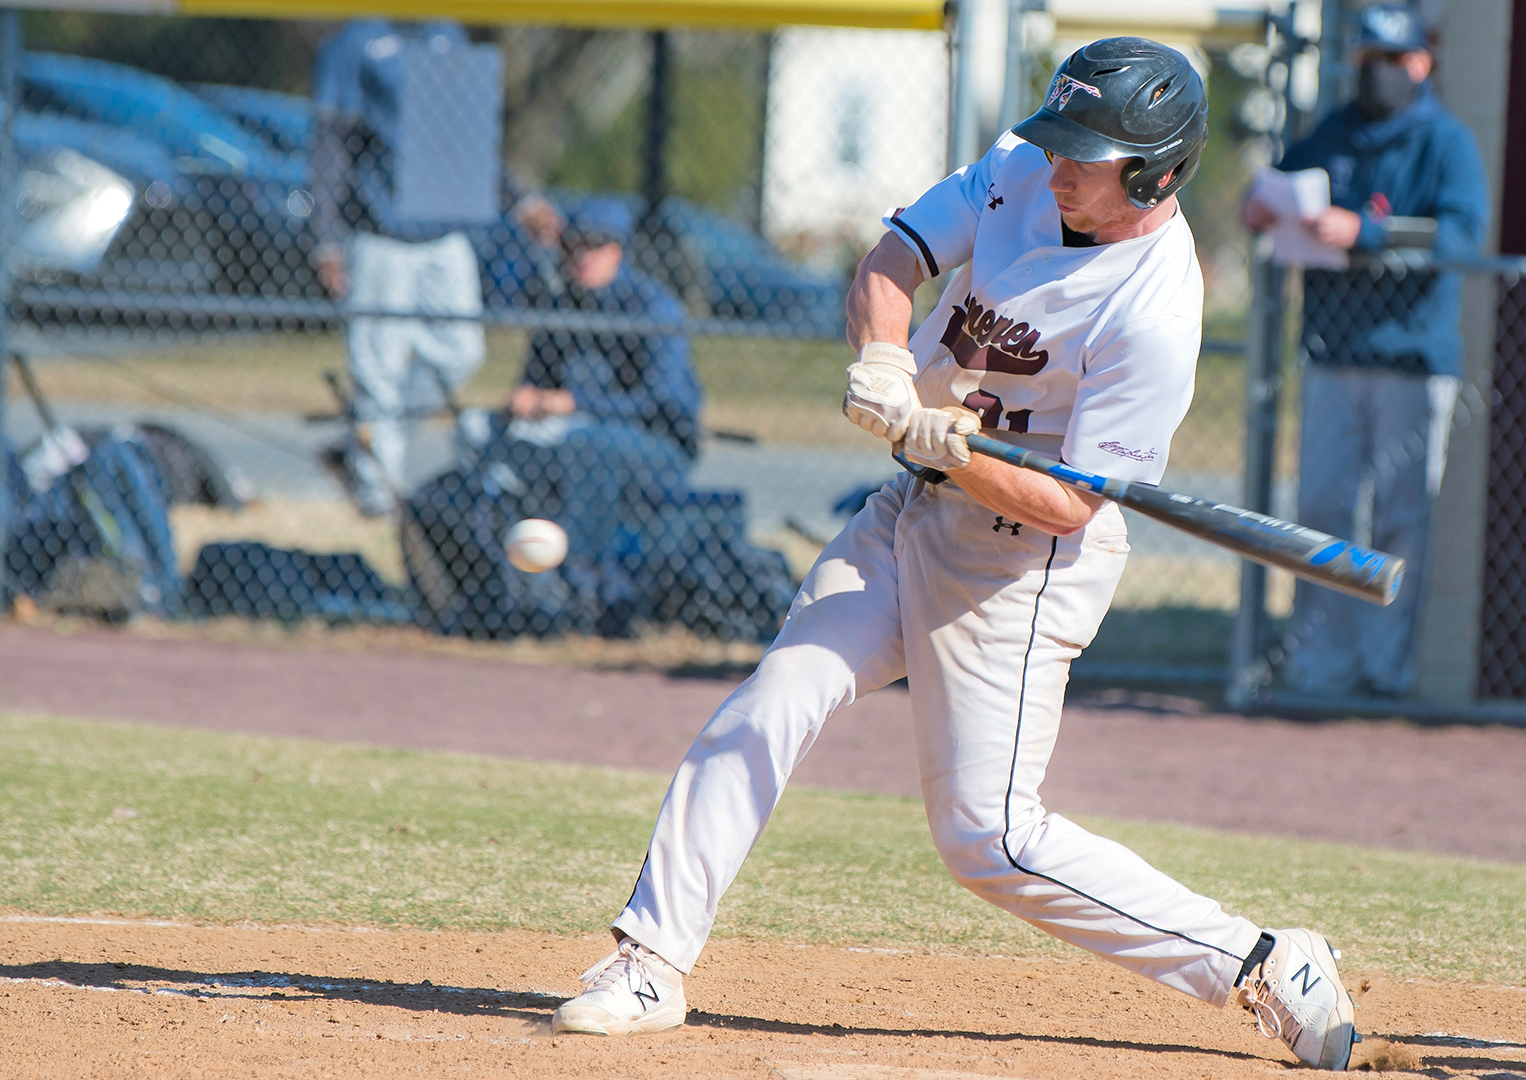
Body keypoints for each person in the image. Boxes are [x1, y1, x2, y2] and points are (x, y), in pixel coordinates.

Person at [549, 38, 1360, 1070]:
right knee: (773, 698)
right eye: (1061, 141)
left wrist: (960, 449)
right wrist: (888, 358)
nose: (1061, 166)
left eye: (1091, 154)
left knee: (992, 843)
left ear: (1156, 172)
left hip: (1019, 567)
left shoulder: (1155, 310)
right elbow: (896, 258)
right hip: (908, 513)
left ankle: (1259, 960)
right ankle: (649, 960)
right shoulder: (1025, 167)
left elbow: (1070, 502)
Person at [1241, 3, 1488, 698]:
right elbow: (1273, 187)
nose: (1374, 72)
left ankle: (1388, 673)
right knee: (1321, 508)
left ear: (1420, 63)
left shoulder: (1446, 139)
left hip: (1411, 359)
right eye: (1366, 59)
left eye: (1389, 59)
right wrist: (1260, 205)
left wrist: (1368, 234)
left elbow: (1462, 239)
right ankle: (1323, 669)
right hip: (1334, 351)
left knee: (1402, 519)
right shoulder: (1336, 130)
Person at [311, 19, 557, 517]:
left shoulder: (447, 32)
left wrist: (519, 198)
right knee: (376, 370)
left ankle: (365, 445)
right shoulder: (357, 41)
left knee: (461, 351)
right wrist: (324, 239)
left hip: (445, 231)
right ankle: (378, 492)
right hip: (380, 232)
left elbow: (464, 139)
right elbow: (330, 144)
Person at [493, 197, 702, 570]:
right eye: (575, 245)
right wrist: (525, 396)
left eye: (597, 245)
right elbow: (536, 377)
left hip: (657, 444)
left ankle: (585, 571)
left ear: (619, 250)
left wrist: (576, 403)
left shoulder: (652, 306)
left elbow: (663, 401)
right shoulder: (560, 305)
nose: (584, 256)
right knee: (479, 432)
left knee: (589, 444)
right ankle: (503, 570)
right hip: (574, 432)